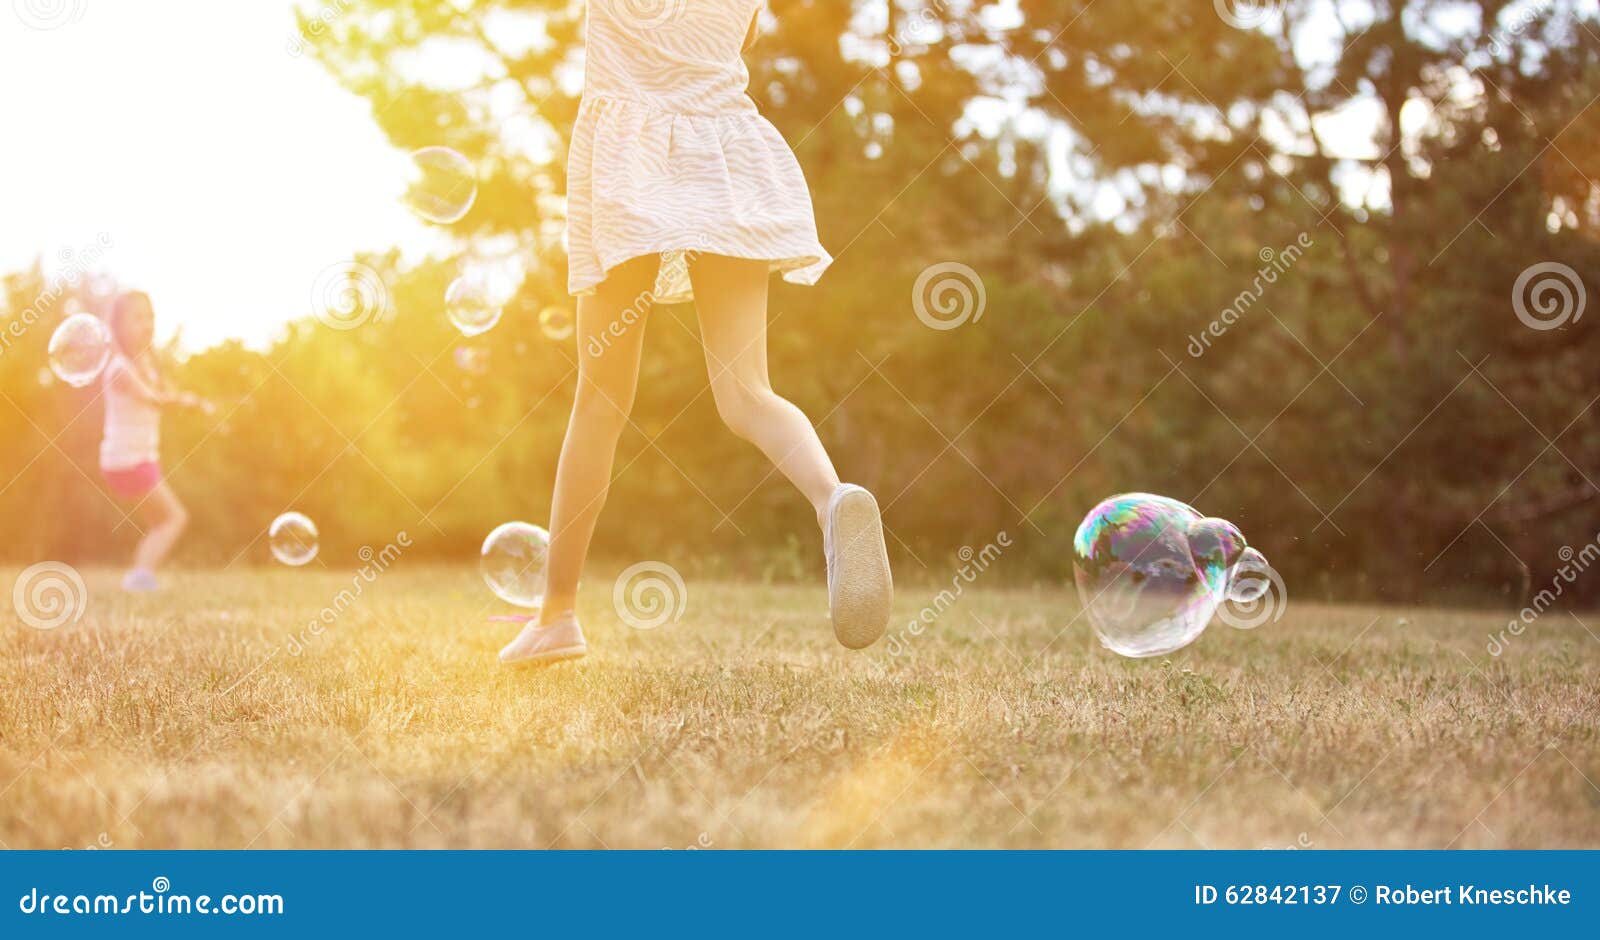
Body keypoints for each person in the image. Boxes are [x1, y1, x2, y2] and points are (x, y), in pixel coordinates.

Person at [499, 1, 893, 666]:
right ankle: (832, 501)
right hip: (729, 161)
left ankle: (557, 614)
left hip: (631, 161)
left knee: (600, 402)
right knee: (747, 392)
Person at [99, 291, 213, 592]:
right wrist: (187, 401)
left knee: (160, 522)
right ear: (119, 326)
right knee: (175, 517)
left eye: (150, 316)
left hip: (138, 459)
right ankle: (139, 578)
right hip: (129, 460)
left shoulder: (143, 363)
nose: (147, 323)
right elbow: (152, 399)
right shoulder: (120, 368)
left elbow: (160, 391)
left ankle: (141, 574)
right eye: (137, 318)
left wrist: (187, 400)